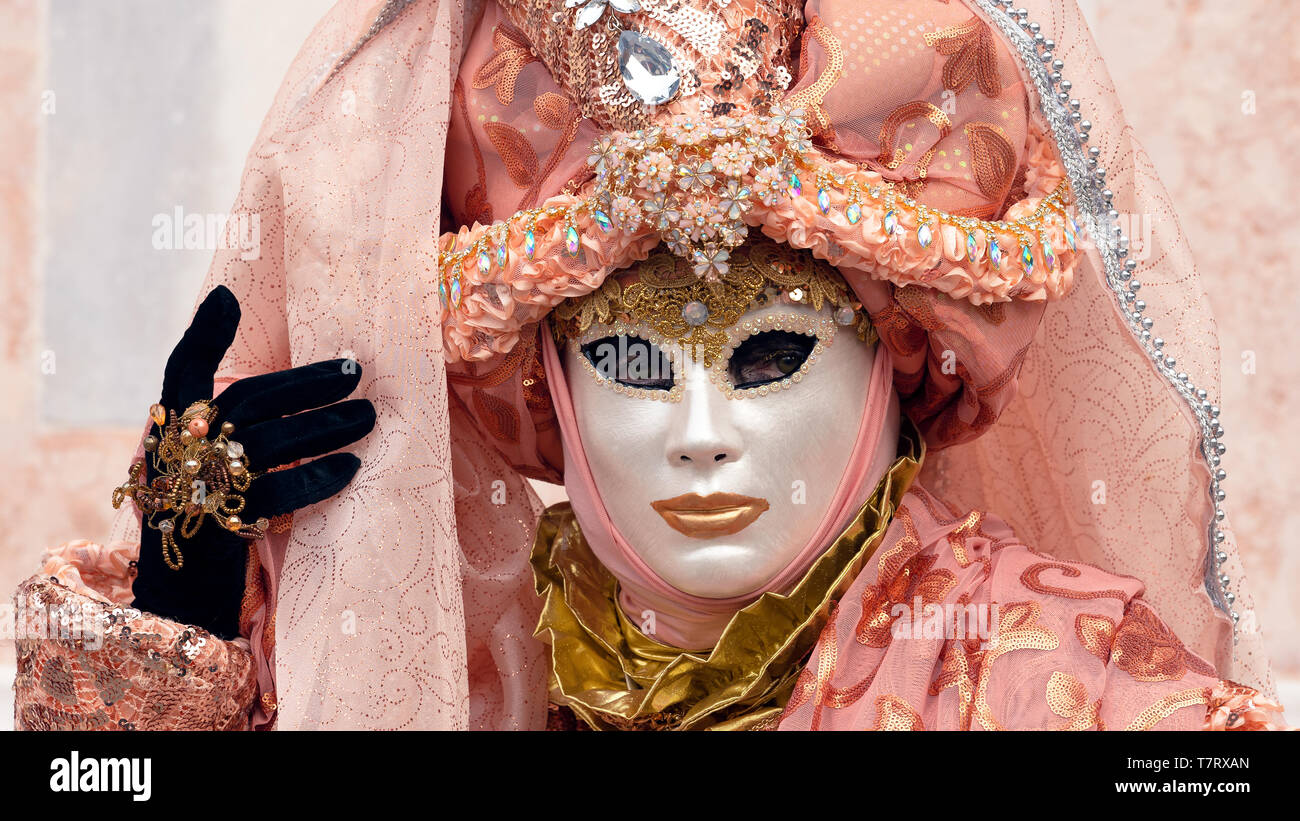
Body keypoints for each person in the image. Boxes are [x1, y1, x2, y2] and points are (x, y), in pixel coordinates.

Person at [11, 0, 1285, 730]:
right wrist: (173, 631)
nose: (698, 431)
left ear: (904, 362)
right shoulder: (461, 659)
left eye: (771, 351)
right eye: (624, 356)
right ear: (543, 394)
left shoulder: (1067, 681)